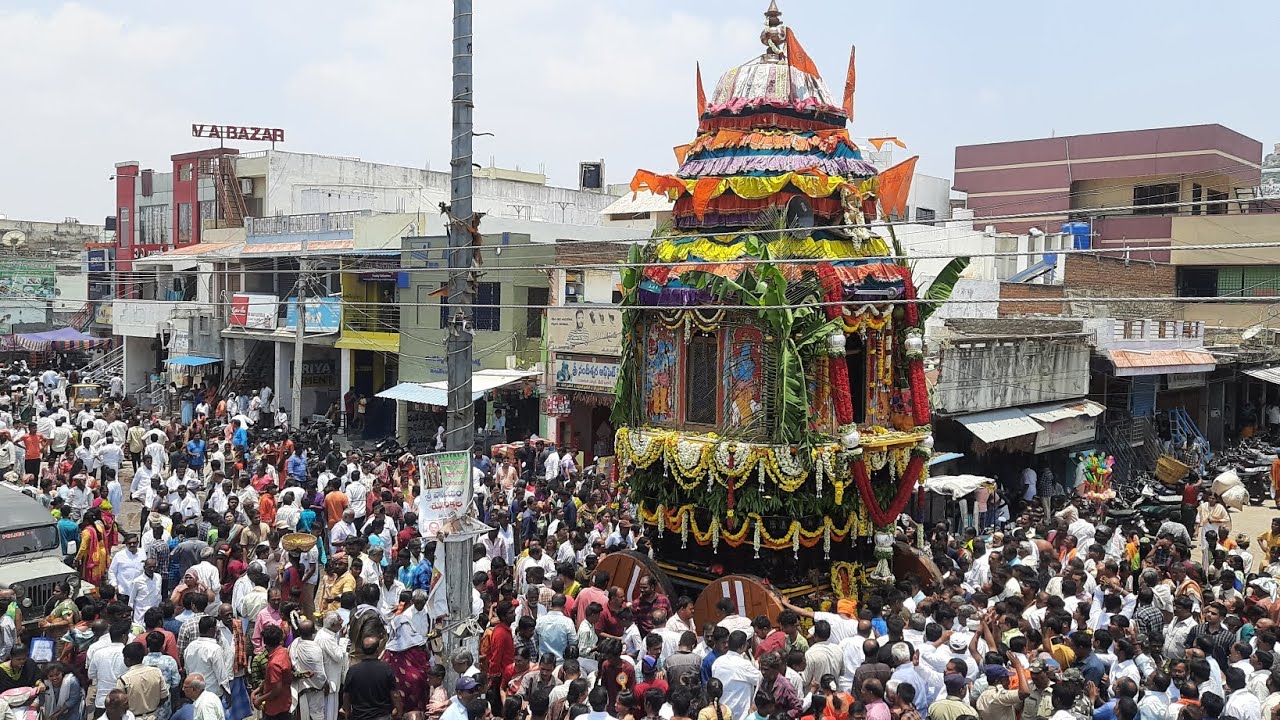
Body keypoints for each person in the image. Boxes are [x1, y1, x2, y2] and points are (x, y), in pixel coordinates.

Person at [342, 635, 402, 720]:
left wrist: (347, 712)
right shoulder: (386, 669)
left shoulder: (353, 671)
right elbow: (394, 694)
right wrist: (398, 712)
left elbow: (346, 695)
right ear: (377, 650)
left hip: (359, 716)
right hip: (382, 716)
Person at [253, 624, 293, 720]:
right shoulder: (283, 652)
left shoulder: (274, 663)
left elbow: (276, 690)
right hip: (284, 702)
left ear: (265, 642)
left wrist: (260, 700)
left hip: (276, 708)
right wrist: (257, 691)